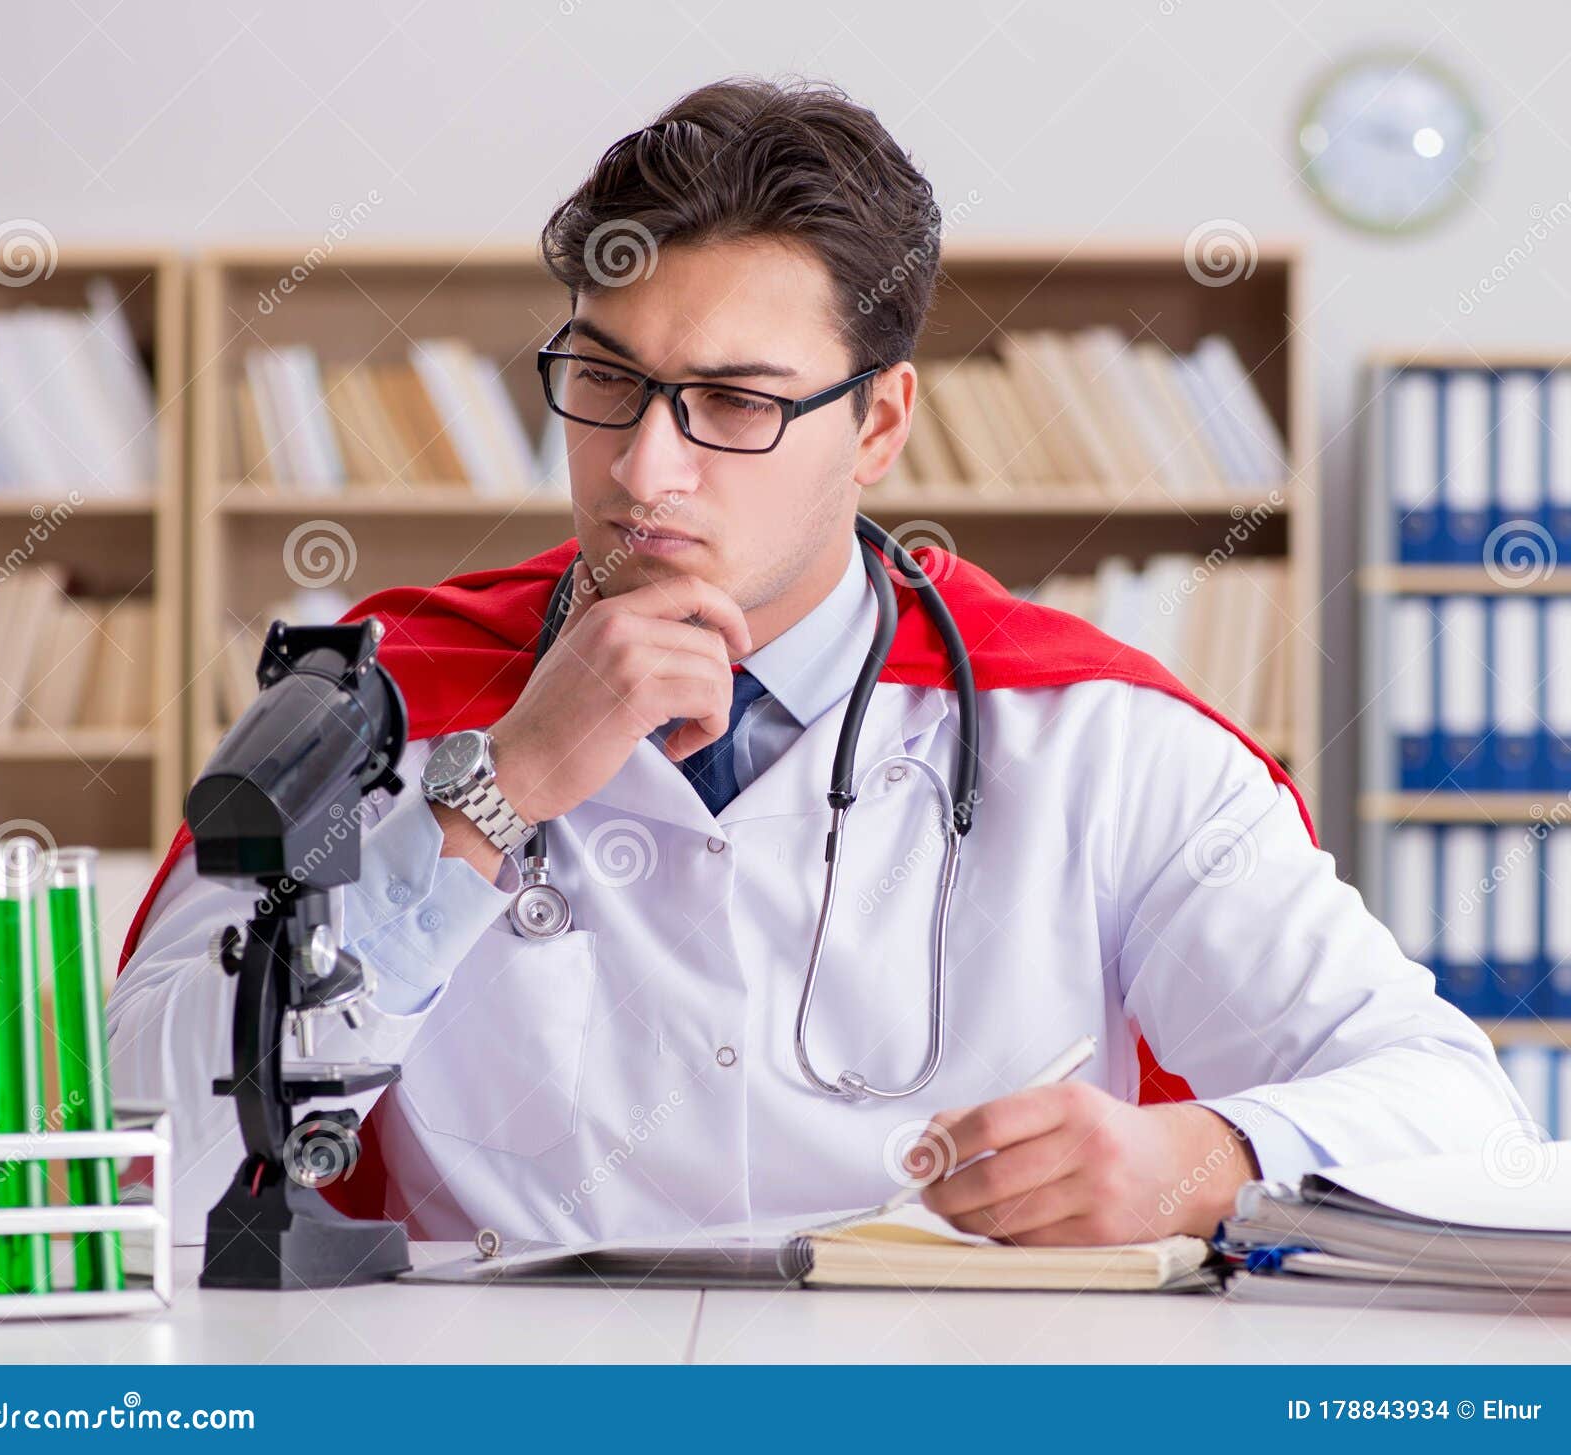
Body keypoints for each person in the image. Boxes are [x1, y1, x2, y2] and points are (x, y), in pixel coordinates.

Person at [109, 75, 1530, 1248]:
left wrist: (1209, 1154)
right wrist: (503, 793)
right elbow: (134, 1146)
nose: (642, 469)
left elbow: (1463, 1120)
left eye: (732, 400)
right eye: (605, 381)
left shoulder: (1099, 740)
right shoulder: (376, 710)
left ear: (879, 426)